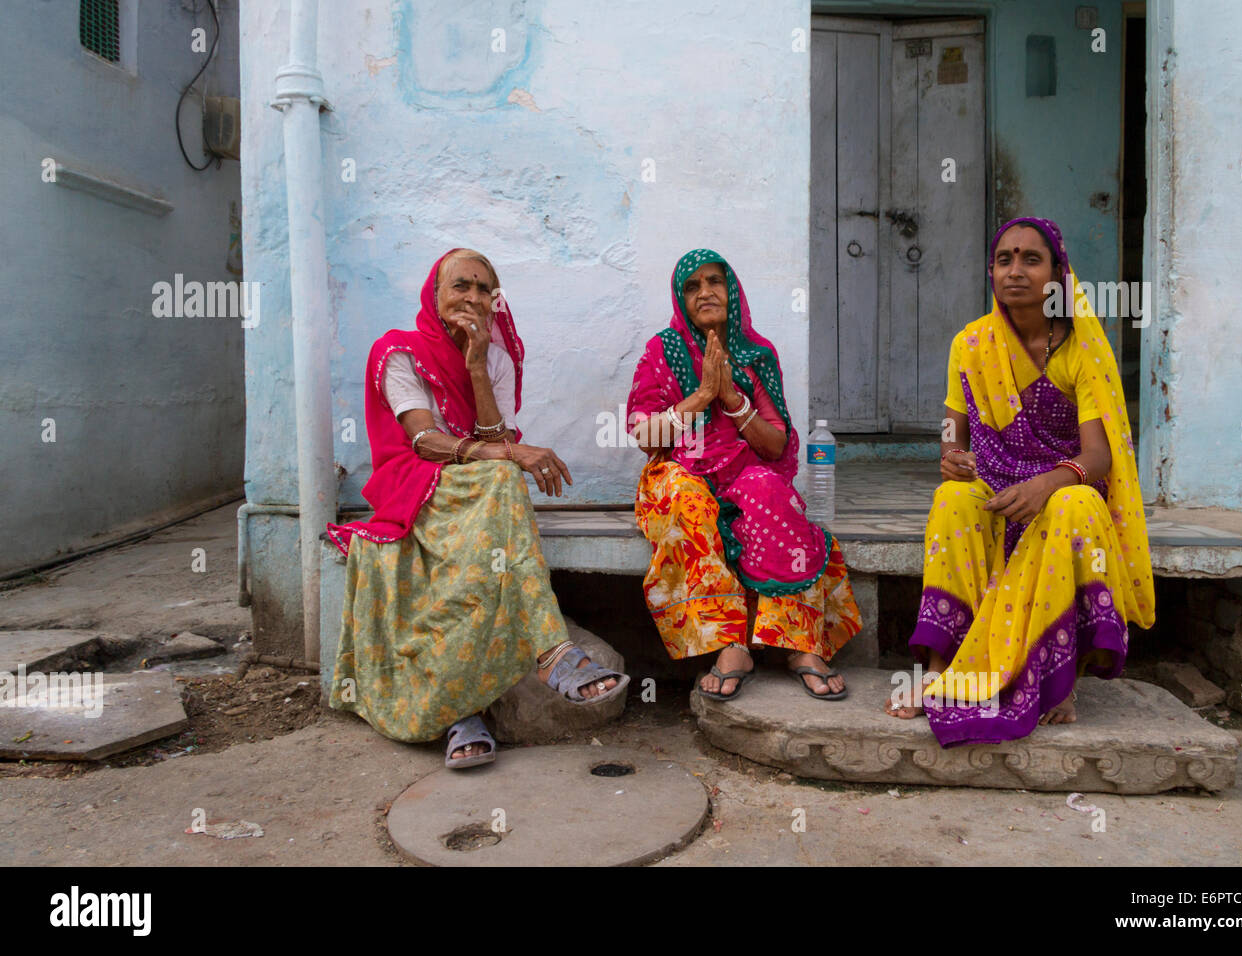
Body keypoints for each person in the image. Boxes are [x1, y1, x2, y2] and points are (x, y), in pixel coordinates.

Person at [326, 248, 628, 768]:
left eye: (484, 289)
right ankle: (552, 654)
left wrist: (477, 369)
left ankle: (461, 714)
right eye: (460, 285)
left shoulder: (497, 355)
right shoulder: (398, 351)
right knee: (504, 474)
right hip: (415, 483)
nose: (472, 297)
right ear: (435, 293)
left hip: (479, 487)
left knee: (498, 489)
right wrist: (510, 453)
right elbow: (423, 440)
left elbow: (494, 435)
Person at [885, 218, 1155, 746]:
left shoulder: (1083, 348)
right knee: (953, 499)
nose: (1015, 271)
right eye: (1005, 259)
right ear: (992, 270)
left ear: (1057, 273)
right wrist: (951, 455)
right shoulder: (971, 343)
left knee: (1072, 505)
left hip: (1064, 492)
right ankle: (942, 665)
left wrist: (1048, 484)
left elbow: (1098, 456)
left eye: (1032, 259)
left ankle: (1060, 678)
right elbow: (950, 424)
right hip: (999, 491)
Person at [627, 249, 861, 700]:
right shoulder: (664, 350)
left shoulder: (757, 353)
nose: (705, 292)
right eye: (692, 286)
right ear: (680, 298)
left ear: (731, 291)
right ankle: (731, 644)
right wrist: (700, 398)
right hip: (678, 468)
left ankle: (800, 643)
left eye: (714, 281)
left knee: (770, 491)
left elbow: (774, 445)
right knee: (689, 503)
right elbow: (645, 436)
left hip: (744, 468)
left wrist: (731, 397)